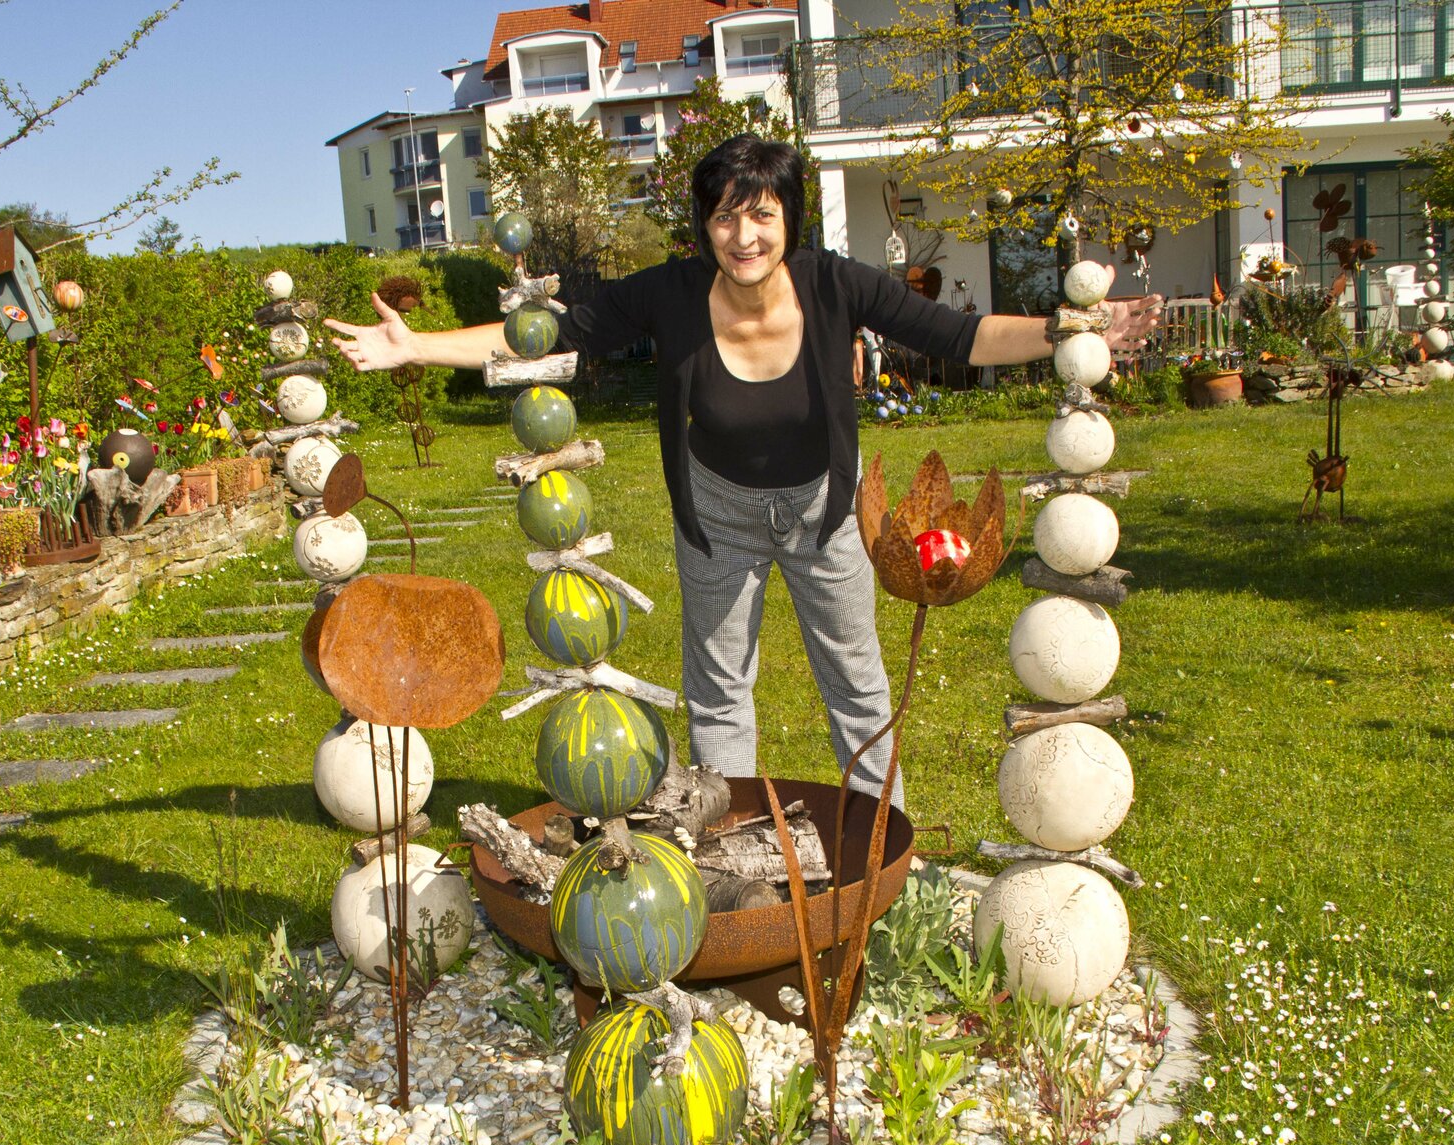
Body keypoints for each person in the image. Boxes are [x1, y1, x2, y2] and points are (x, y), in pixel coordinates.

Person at [327, 135, 1161, 803]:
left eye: (761, 214)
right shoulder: (674, 292)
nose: (744, 235)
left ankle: (881, 852)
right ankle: (726, 858)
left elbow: (957, 336)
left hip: (823, 510)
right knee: (719, 693)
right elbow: (547, 335)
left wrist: (1069, 331)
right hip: (716, 512)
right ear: (705, 224)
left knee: (858, 688)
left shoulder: (835, 284)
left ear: (788, 219)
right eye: (725, 216)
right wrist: (416, 347)